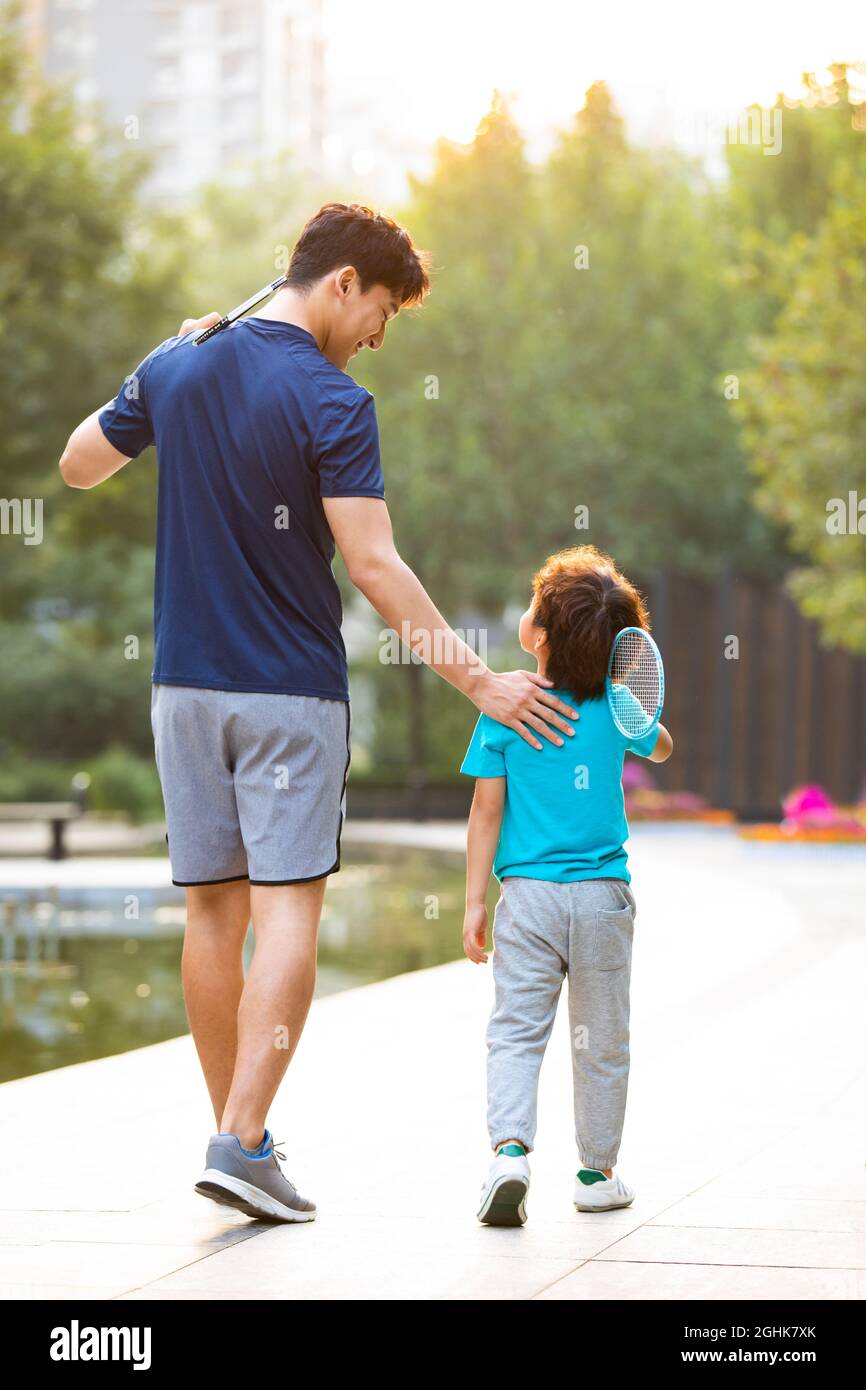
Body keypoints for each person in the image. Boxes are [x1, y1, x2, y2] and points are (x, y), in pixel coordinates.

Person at [58, 202, 581, 1223]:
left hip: (182, 691)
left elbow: (79, 462)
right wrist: (481, 683)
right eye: (381, 309)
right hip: (289, 695)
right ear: (342, 282)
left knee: (213, 911)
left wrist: (159, 357)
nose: (379, 335)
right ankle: (240, 1138)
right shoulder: (333, 402)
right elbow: (375, 566)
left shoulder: (180, 364)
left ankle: (238, 1138)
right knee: (289, 909)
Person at [459, 544, 673, 1225]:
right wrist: (639, 708)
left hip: (528, 900)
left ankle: (510, 1155)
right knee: (603, 1037)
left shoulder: (505, 708)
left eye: (531, 607)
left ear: (540, 635)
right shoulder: (617, 711)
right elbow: (663, 747)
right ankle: (595, 1173)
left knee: (516, 1033)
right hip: (603, 900)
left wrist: (471, 902)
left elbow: (485, 810)